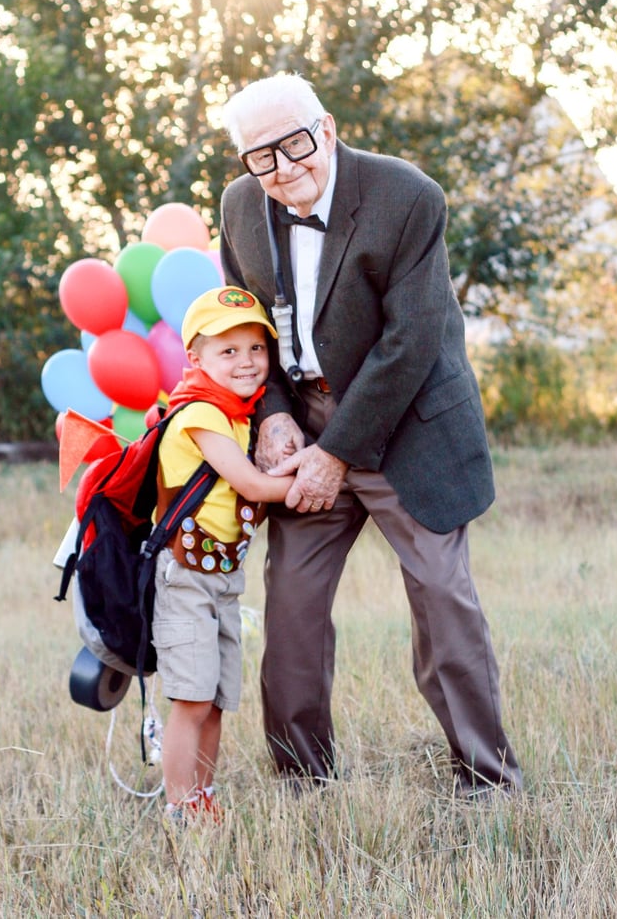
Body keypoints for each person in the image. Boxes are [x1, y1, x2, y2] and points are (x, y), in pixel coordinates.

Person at [218, 72, 523, 799]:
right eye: (261, 157)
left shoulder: (407, 196)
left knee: (443, 598)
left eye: (293, 145)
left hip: (405, 423)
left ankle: (487, 780)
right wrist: (274, 415)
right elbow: (247, 332)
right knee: (291, 604)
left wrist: (339, 451)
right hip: (305, 427)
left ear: (325, 127)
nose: (283, 169)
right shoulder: (237, 209)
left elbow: (413, 339)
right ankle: (303, 780)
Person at [153, 285, 295, 823]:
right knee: (190, 700)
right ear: (196, 358)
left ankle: (203, 798)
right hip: (187, 577)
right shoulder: (201, 414)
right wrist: (318, 479)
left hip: (222, 577)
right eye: (228, 351)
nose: (246, 362)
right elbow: (253, 487)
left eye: (256, 349)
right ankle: (179, 807)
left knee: (214, 700)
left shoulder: (239, 414)